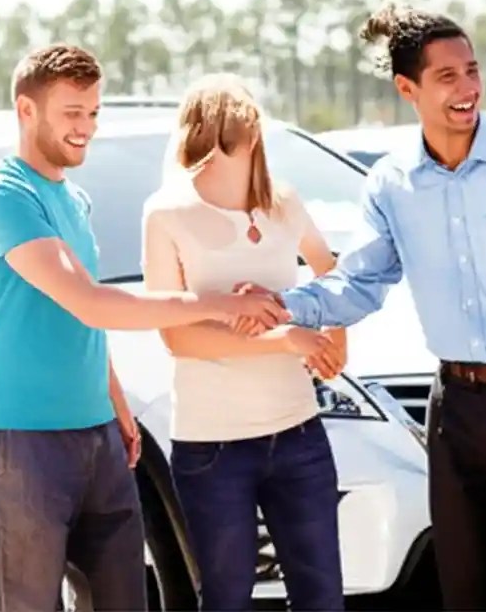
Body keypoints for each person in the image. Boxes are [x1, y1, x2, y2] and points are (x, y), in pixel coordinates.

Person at [269, 3, 486, 610]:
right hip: (453, 409)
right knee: (467, 589)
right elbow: (360, 283)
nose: (468, 88)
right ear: (408, 88)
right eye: (447, 76)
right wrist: (281, 307)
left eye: (472, 71)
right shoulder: (392, 184)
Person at [0, 44, 289, 612]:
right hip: (19, 441)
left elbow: (82, 321)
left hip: (99, 437)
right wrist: (211, 304)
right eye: (71, 114)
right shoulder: (1, 196)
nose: (85, 128)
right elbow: (89, 302)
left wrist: (116, 404)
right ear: (26, 111)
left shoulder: (73, 199)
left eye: (92, 113)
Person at [141, 73, 348, 611]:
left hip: (299, 435)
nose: (235, 146)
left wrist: (333, 338)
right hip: (213, 447)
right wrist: (287, 341)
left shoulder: (284, 202)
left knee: (323, 598)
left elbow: (331, 271)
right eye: (220, 136)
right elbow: (178, 336)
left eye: (241, 132)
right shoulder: (167, 213)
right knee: (227, 600)